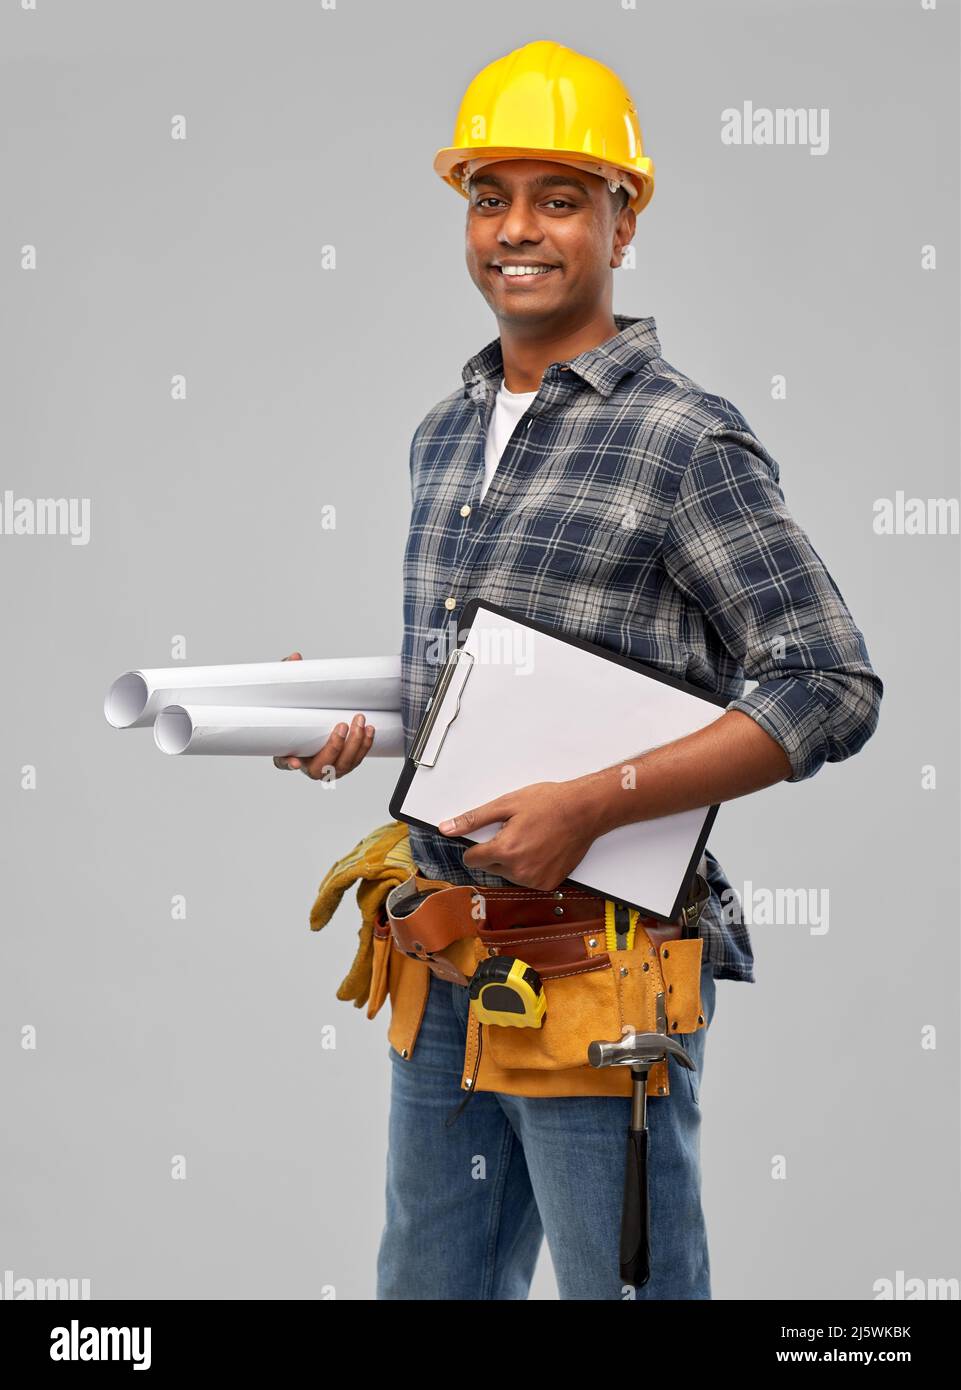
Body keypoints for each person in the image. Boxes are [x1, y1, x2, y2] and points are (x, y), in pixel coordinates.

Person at [276, 40, 882, 1300]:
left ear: (623, 217)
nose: (517, 230)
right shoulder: (442, 431)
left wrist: (592, 806)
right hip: (442, 950)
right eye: (489, 197)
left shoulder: (683, 439)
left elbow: (827, 680)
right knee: (428, 1288)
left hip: (599, 966)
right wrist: (359, 714)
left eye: (559, 198)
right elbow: (471, 691)